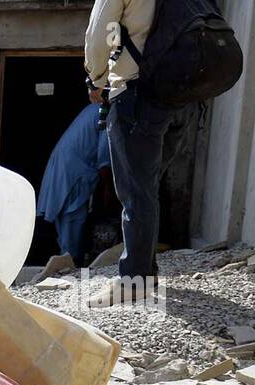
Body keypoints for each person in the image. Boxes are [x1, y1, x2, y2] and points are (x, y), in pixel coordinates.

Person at [83, 0, 189, 308]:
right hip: (183, 97)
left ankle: (134, 280)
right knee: (147, 187)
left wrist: (96, 79)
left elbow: (100, 32)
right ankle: (147, 271)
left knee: (136, 191)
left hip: (137, 94)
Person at [38, 102, 110, 265]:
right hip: (74, 170)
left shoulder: (95, 109)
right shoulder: (106, 113)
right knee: (72, 217)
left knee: (67, 219)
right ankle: (69, 262)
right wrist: (108, 189)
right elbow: (104, 159)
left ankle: (67, 260)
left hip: (69, 166)